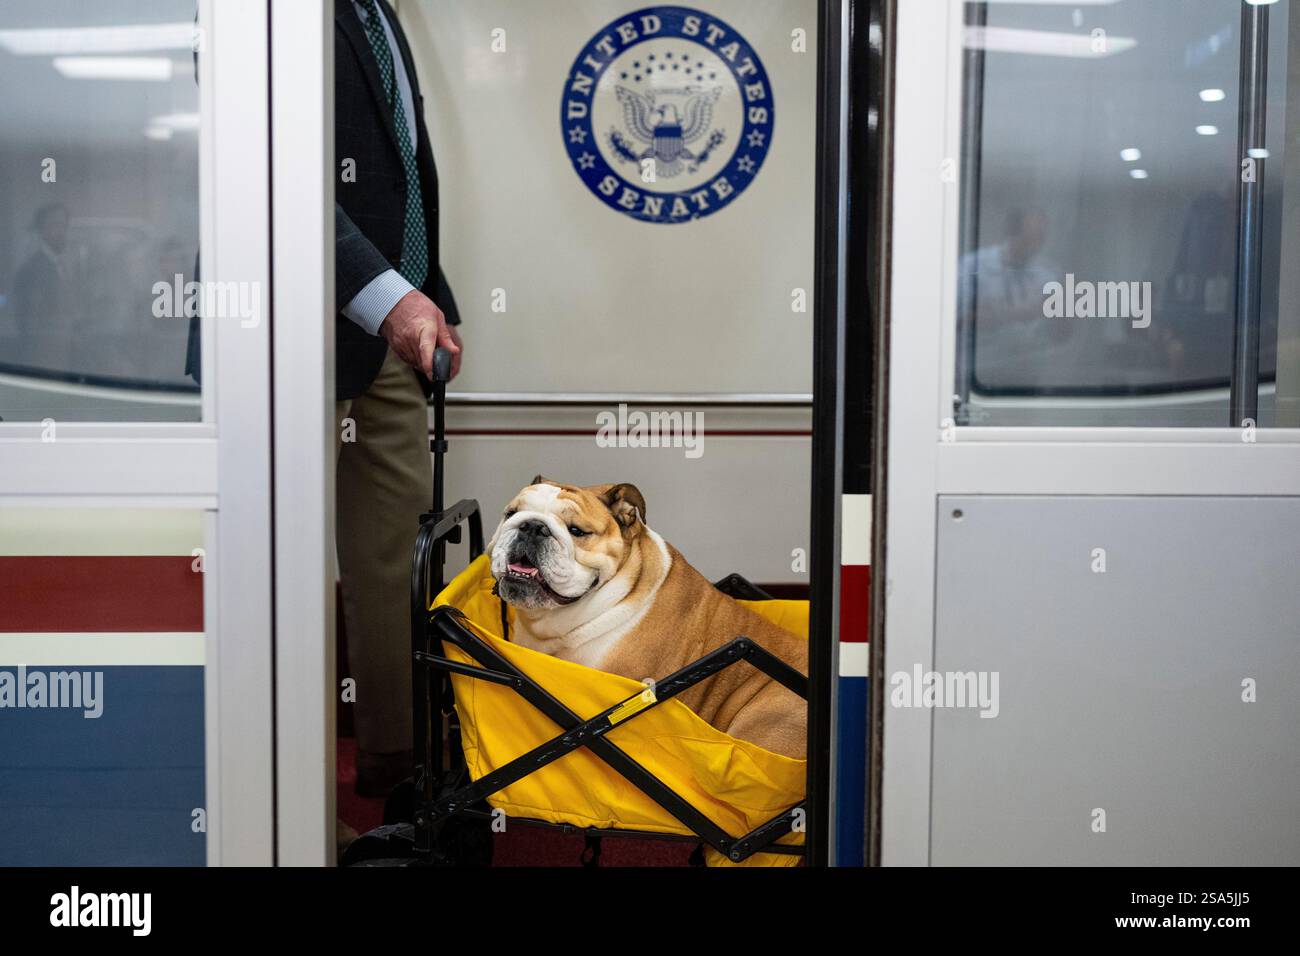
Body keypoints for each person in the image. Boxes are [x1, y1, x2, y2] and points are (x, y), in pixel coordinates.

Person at [333, 0, 462, 801]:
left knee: (397, 555)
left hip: (383, 330)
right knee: (269, 556)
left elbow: (402, 180)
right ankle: (276, 808)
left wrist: (427, 299)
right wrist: (392, 299)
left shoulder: (378, 11)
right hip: (279, 332)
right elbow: (267, 167)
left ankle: (399, 773)